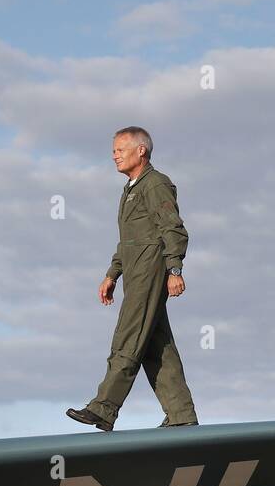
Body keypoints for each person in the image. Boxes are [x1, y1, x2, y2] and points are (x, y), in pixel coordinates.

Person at [67, 126, 198, 432]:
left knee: (128, 338)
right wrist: (112, 274)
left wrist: (174, 270)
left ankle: (103, 408)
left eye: (120, 149)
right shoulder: (131, 189)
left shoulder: (155, 185)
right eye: (113, 150)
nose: (115, 155)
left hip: (149, 273)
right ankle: (181, 414)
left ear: (141, 150)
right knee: (156, 343)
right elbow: (128, 241)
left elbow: (173, 229)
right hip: (135, 273)